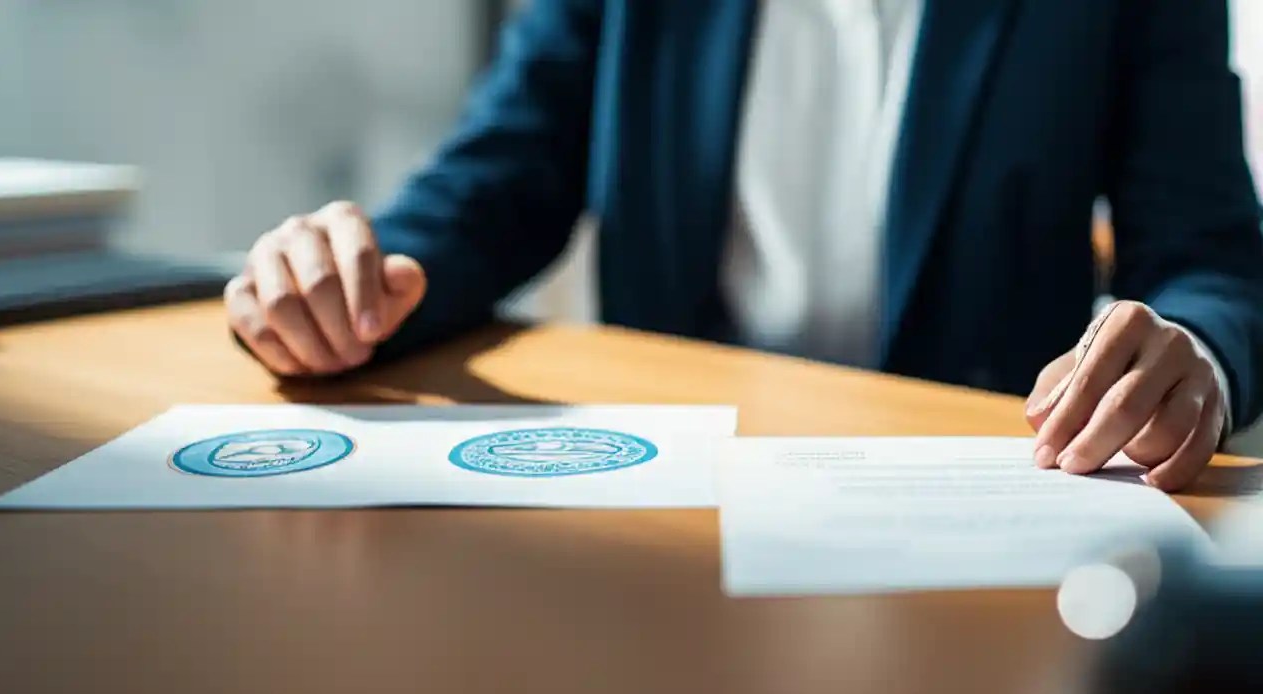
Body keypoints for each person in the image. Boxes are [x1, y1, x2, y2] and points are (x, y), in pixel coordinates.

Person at [223, 0, 1263, 491]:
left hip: (980, 497)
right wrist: (355, 277)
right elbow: (501, 172)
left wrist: (1191, 358)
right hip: (667, 505)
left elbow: (1208, 251)